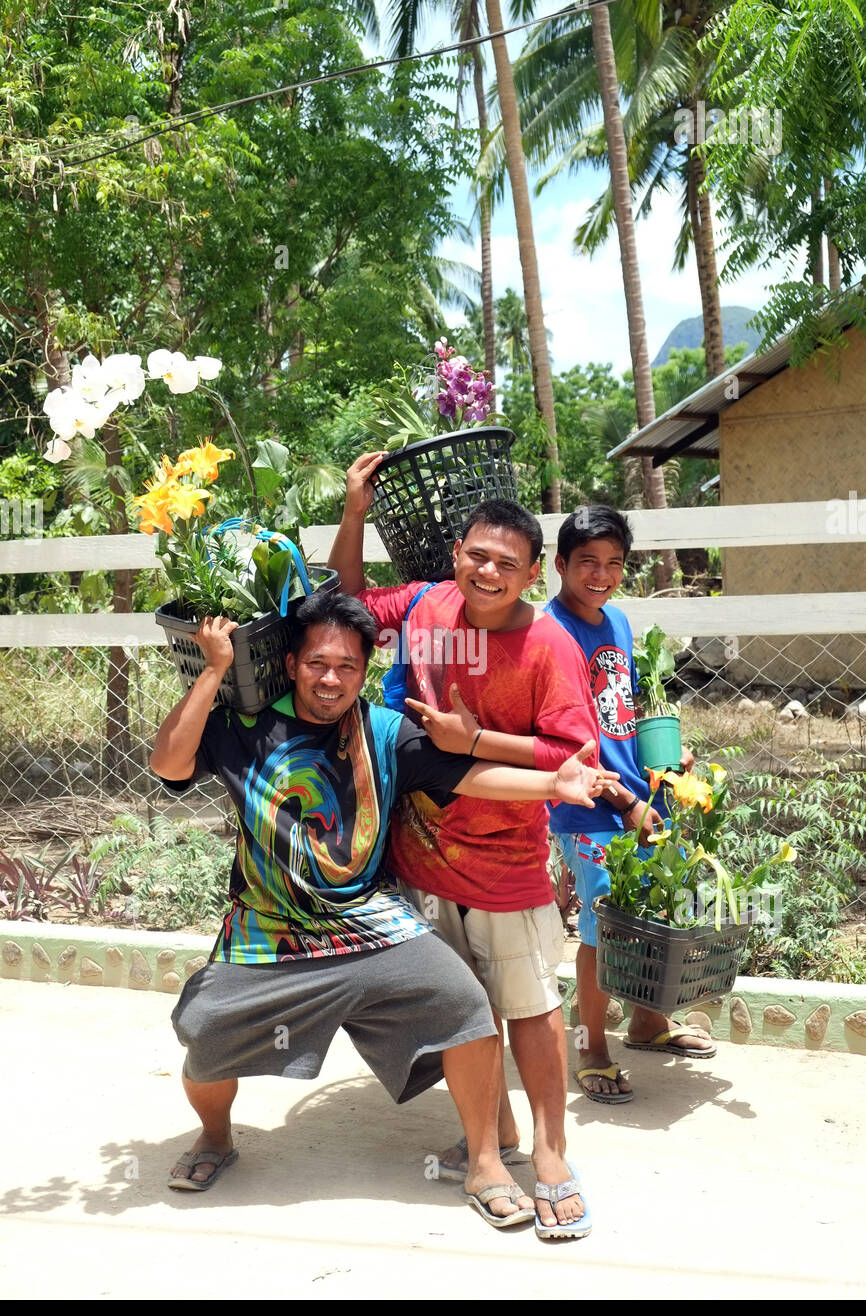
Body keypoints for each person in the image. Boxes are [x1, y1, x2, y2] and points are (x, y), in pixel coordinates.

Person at [151, 588, 603, 1230]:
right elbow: (168, 762)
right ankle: (217, 1137)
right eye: (316, 664)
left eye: (347, 667)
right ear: (291, 665)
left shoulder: (384, 731)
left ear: (365, 672)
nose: (330, 678)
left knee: (465, 1004)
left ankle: (485, 1163)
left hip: (366, 918)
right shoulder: (241, 726)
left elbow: (467, 775)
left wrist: (552, 784)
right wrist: (217, 669)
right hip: (267, 925)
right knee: (203, 1027)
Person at [329, 459, 617, 1236]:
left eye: (507, 564)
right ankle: (494, 1142)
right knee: (464, 1012)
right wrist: (355, 510)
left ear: (530, 576)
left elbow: (575, 757)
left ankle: (552, 1156)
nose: (488, 572)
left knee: (530, 1011)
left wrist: (474, 738)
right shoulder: (424, 605)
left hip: (506, 860)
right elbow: (347, 603)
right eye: (477, 555)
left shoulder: (550, 645)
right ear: (456, 553)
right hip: (423, 855)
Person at [545, 505, 716, 1104]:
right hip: (589, 804)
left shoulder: (616, 621)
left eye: (614, 563)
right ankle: (593, 1043)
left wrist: (665, 760)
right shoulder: (549, 633)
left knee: (647, 912)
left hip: (637, 795)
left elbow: (619, 713)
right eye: (587, 562)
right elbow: (556, 738)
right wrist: (620, 800)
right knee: (603, 925)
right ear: (560, 564)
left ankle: (647, 1023)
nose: (601, 574)